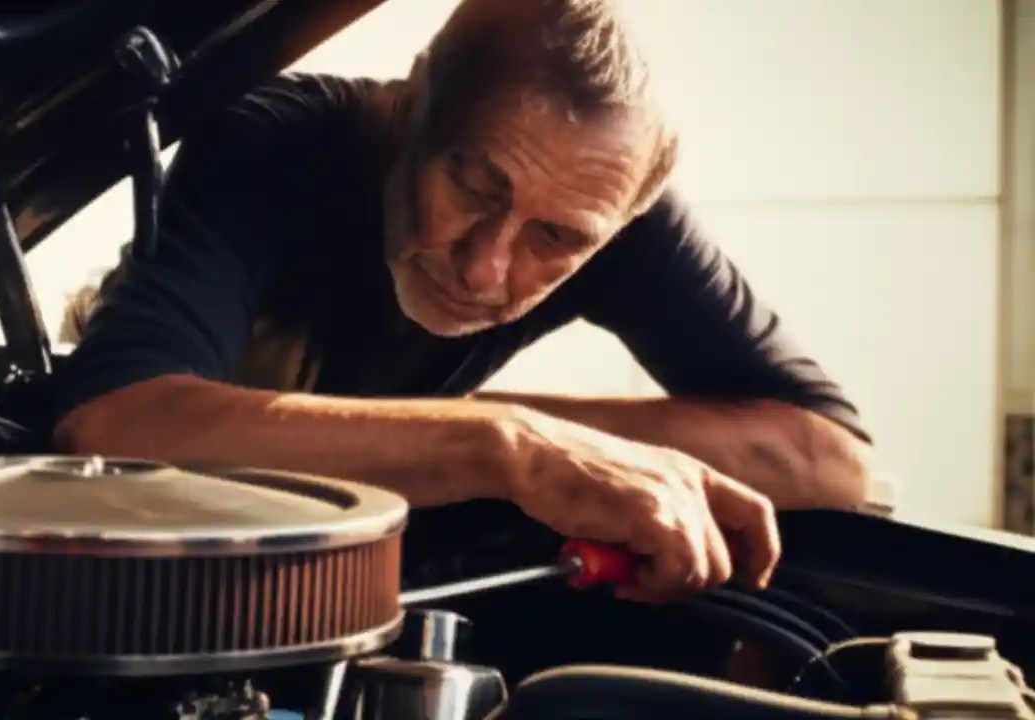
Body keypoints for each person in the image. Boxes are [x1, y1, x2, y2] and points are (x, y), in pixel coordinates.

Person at [51, 0, 875, 604]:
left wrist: (522, 435)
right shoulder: (277, 139)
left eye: (554, 241)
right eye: (475, 185)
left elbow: (827, 459)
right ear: (411, 104)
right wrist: (499, 445)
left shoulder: (608, 208)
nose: (487, 269)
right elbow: (116, 423)